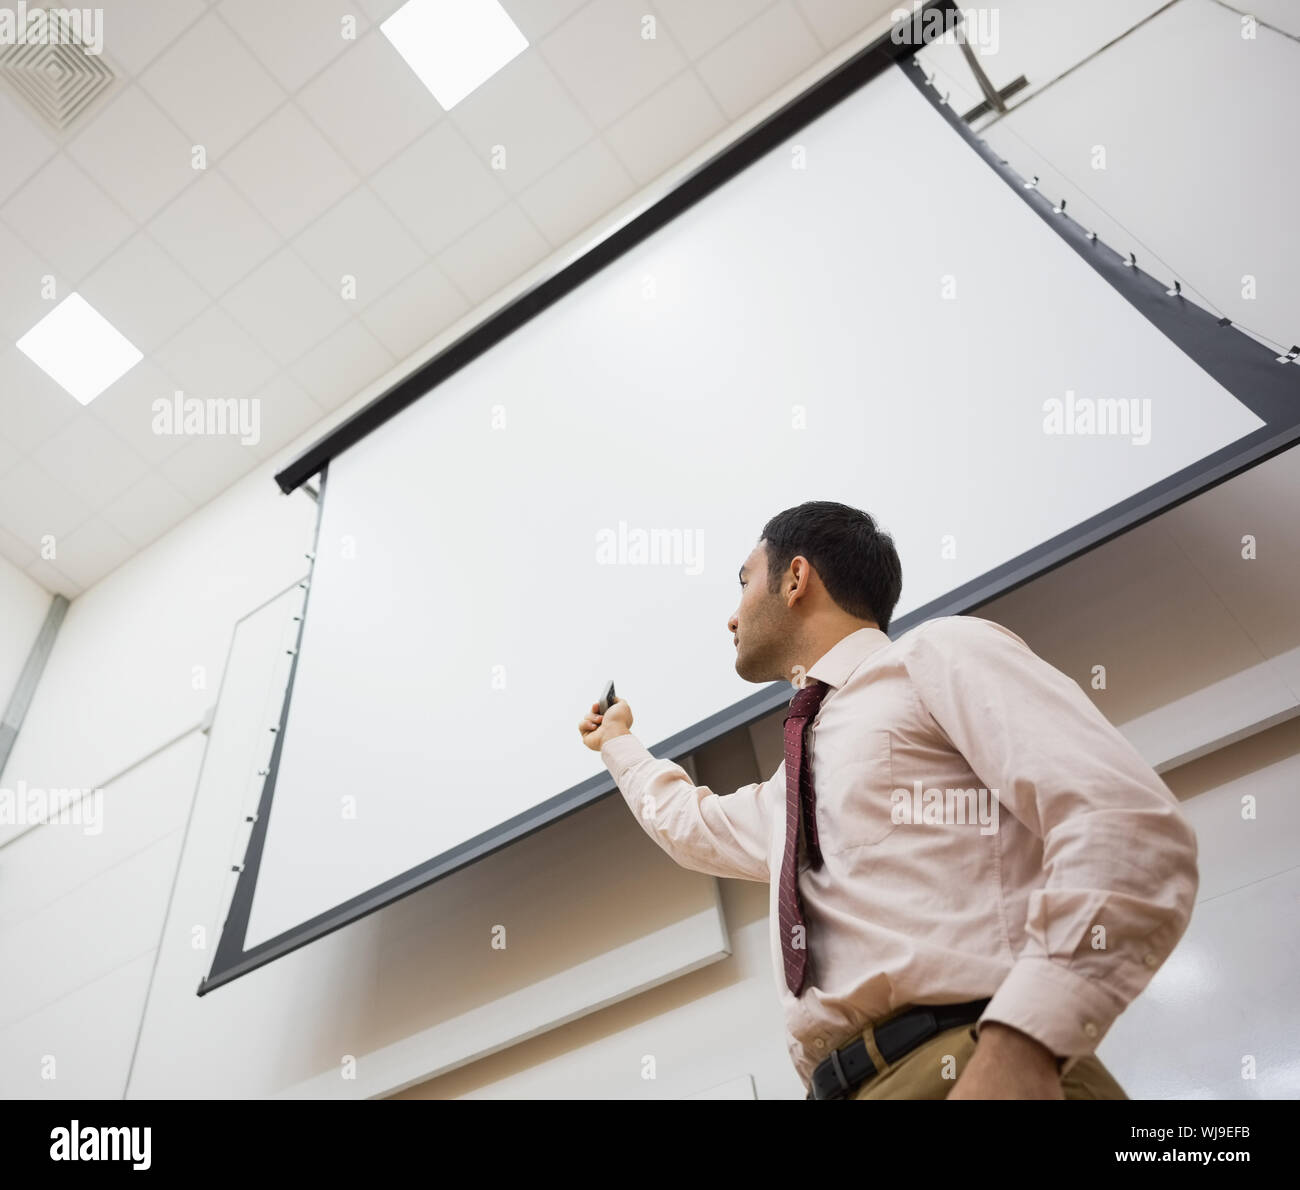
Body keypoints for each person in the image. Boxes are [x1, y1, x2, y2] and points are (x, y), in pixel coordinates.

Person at [578, 501, 1199, 1099]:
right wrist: (619, 743)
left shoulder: (938, 655)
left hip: (974, 1063)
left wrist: (1023, 1045)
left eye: (744, 582)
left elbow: (1123, 826)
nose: (732, 617)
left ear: (796, 578)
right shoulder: (790, 788)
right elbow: (691, 824)